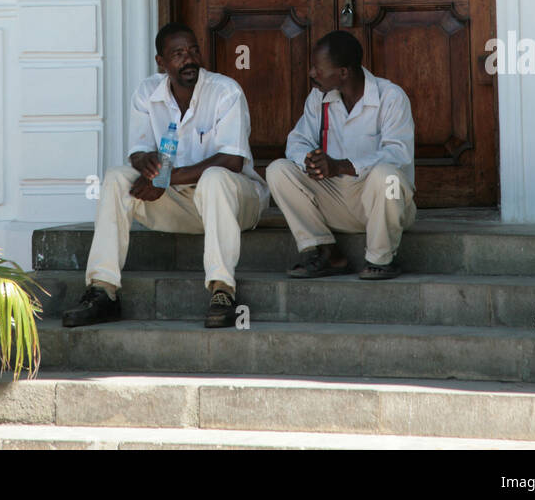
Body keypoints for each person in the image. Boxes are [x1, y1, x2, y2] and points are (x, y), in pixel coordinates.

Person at [63, 22, 269, 329]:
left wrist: (165, 180)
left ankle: (222, 291)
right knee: (117, 178)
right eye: (178, 54)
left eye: (193, 50)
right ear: (161, 63)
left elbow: (232, 160)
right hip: (183, 205)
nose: (189, 59)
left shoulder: (225, 91)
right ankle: (102, 291)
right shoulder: (147, 93)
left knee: (214, 177)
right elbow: (137, 151)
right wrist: (146, 162)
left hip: (237, 202)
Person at [266, 30, 416, 279]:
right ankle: (328, 253)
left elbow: (398, 154)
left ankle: (381, 259)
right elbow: (297, 140)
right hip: (334, 199)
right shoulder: (318, 97)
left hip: (379, 202)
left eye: (318, 68)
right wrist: (309, 160)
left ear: (343, 72)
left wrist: (342, 166)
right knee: (278, 170)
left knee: (387, 176)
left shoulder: (391, 97)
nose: (312, 74)